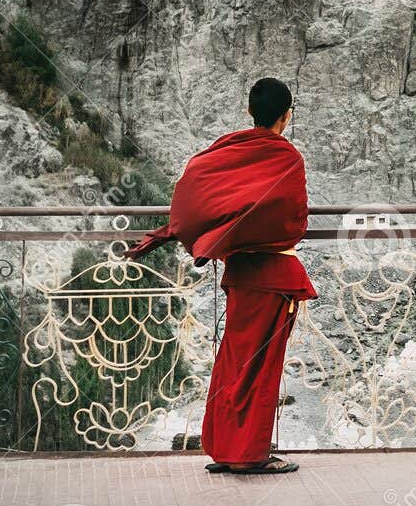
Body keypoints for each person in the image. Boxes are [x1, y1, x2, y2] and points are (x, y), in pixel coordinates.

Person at [129, 78, 315, 475]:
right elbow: (294, 222)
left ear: (250, 112)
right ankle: (250, 455)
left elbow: (195, 191)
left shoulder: (225, 150)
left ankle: (226, 449)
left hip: (240, 273)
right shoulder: (287, 158)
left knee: (233, 362)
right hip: (274, 277)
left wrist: (220, 235)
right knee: (261, 368)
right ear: (287, 115)